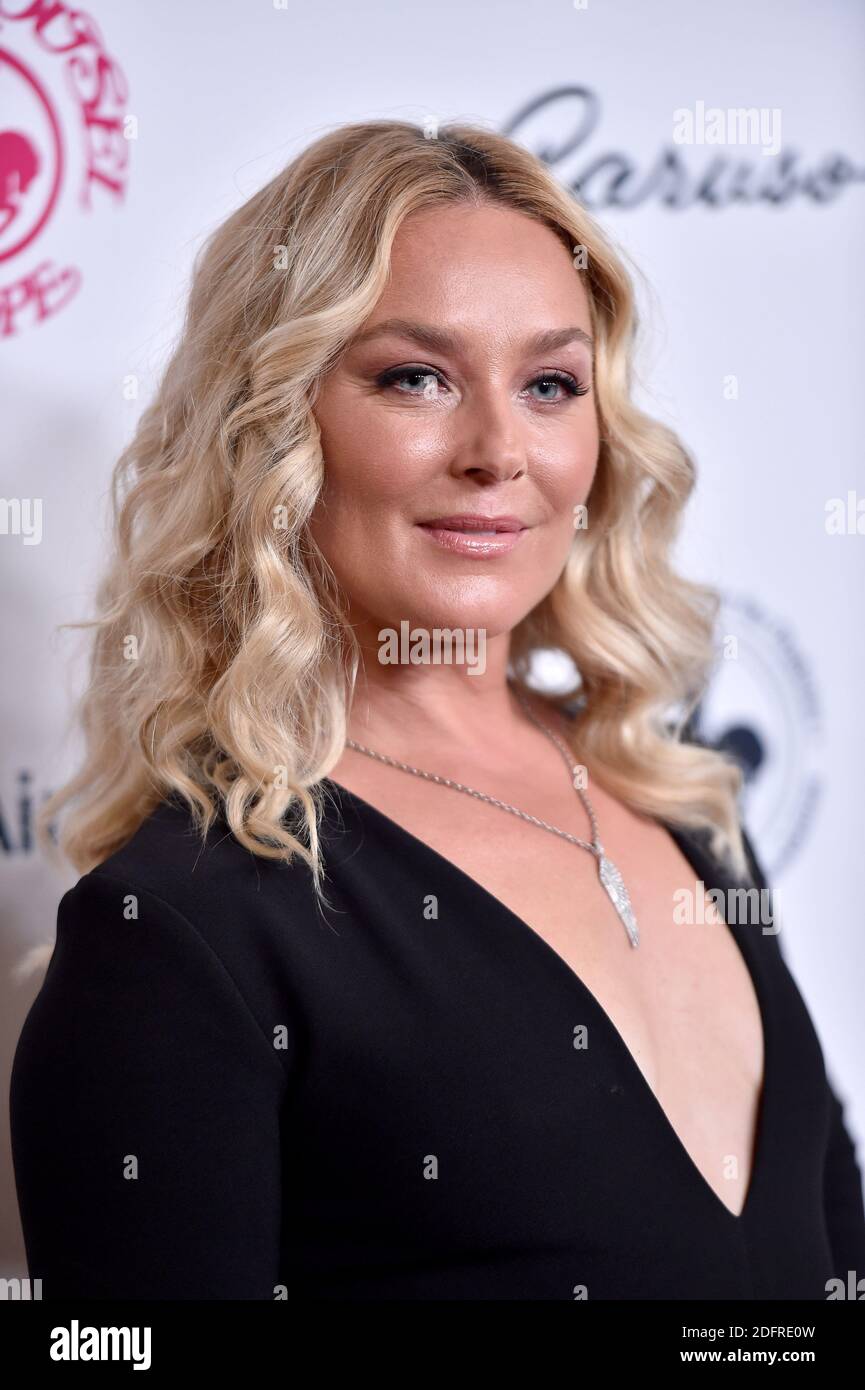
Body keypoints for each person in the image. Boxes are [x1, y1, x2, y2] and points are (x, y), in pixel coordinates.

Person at [10, 119, 865, 1300]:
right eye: (415, 377)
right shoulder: (183, 928)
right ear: (275, 428)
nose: (499, 450)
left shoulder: (686, 810)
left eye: (551, 384)